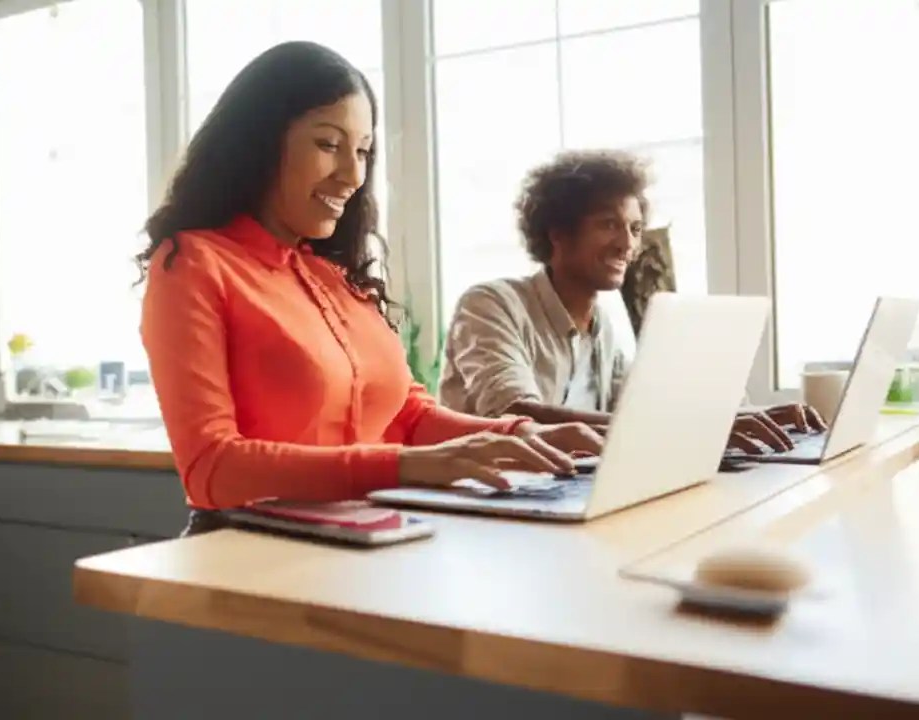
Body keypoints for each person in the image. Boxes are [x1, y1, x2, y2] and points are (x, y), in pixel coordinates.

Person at [137, 42, 603, 520]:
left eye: (362, 151)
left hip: (360, 537)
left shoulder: (333, 275)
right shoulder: (193, 264)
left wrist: (520, 435)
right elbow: (212, 468)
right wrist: (403, 467)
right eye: (328, 145)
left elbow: (408, 416)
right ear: (258, 140)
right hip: (244, 548)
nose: (353, 175)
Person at [439, 149, 825, 454]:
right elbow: (515, 412)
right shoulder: (491, 304)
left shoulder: (601, 327)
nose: (627, 244)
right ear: (557, 233)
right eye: (608, 224)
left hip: (556, 494)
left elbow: (644, 411)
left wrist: (753, 416)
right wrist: (704, 429)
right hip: (486, 501)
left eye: (635, 228)